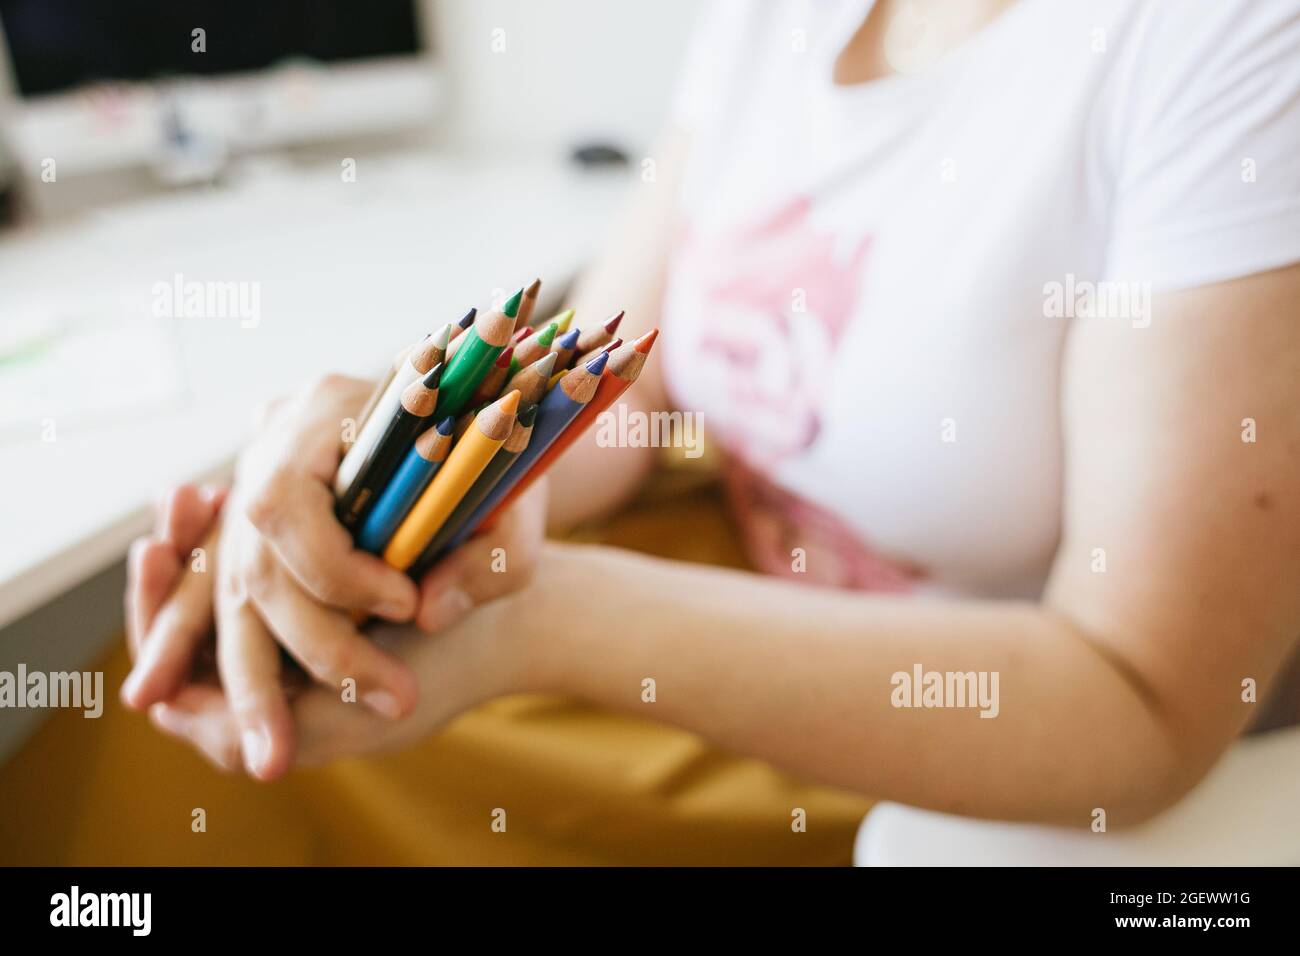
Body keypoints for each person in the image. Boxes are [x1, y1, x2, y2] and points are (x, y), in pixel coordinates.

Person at [121, 0, 1300, 863]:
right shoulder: (772, 19)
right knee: (142, 724)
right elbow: (624, 390)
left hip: (969, 744)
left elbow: (1144, 709)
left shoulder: (1232, 45)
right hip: (707, 613)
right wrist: (385, 478)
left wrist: (537, 617)